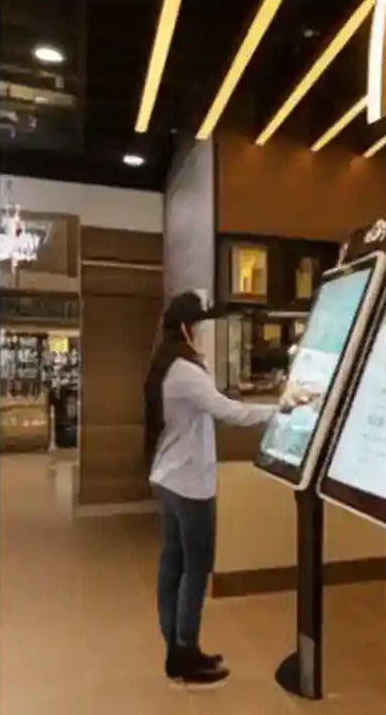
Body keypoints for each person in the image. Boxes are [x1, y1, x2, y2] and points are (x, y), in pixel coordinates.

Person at [144, 290, 280, 689]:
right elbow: (228, 411)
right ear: (187, 327)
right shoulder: (184, 370)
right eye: (201, 325)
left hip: (168, 477)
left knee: (173, 567)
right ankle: (185, 654)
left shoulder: (168, 364)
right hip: (189, 484)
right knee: (195, 569)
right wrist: (281, 409)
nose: (205, 332)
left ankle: (178, 649)